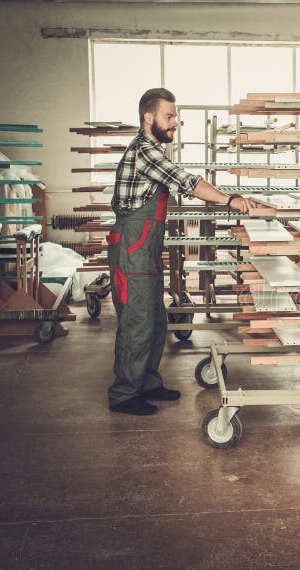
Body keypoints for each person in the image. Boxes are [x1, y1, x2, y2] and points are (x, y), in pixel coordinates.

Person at [107, 87, 256, 416]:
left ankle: (147, 383)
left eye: (175, 116)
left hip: (143, 249)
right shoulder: (145, 151)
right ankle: (124, 394)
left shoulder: (152, 151)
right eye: (169, 116)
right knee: (137, 323)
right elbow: (187, 181)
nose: (175, 122)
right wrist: (229, 200)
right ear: (149, 117)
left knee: (155, 320)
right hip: (132, 250)